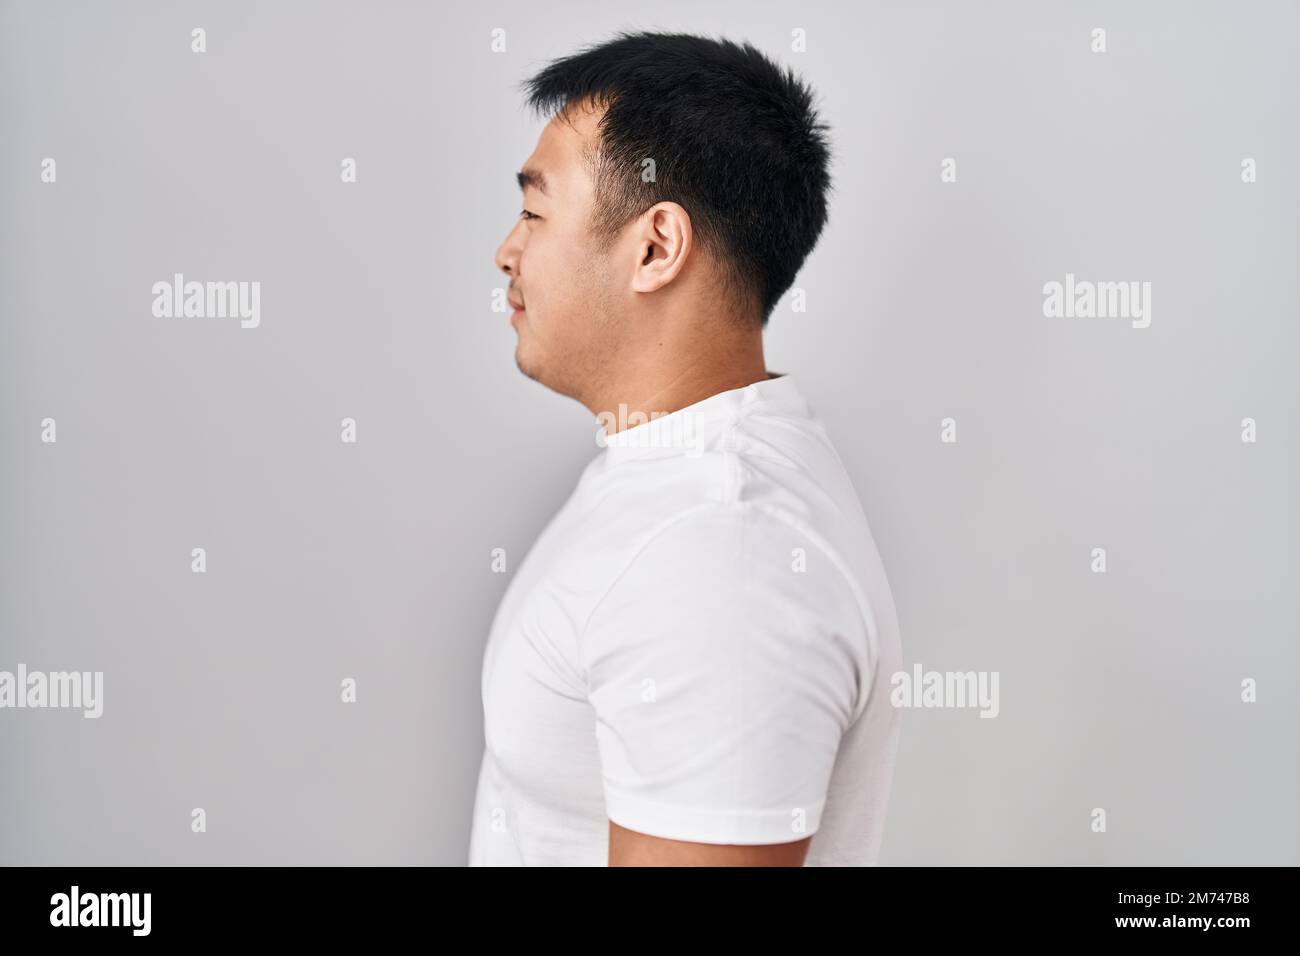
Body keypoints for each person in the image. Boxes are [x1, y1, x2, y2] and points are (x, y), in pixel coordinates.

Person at [469, 31, 902, 866]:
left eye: (533, 210)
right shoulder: (672, 483)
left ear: (657, 247)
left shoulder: (719, 550)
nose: (507, 250)